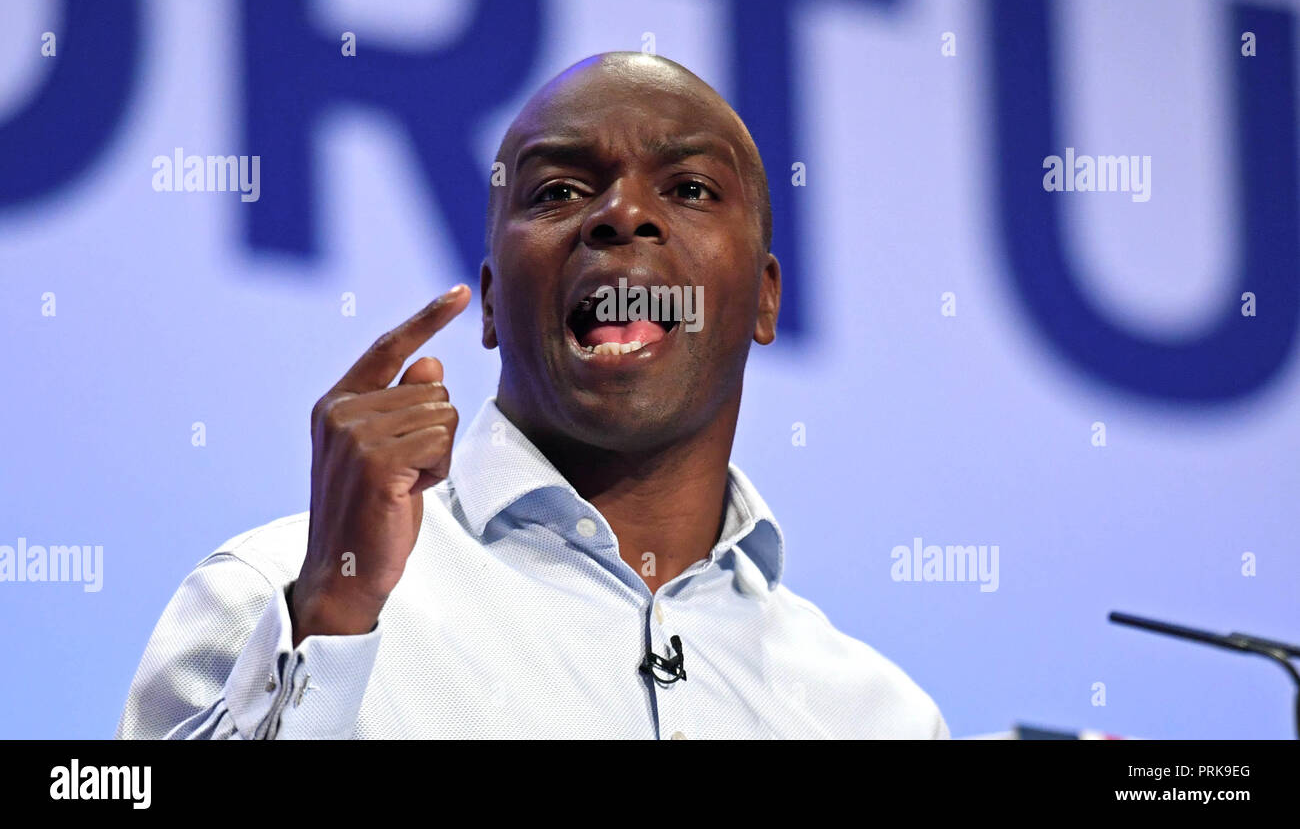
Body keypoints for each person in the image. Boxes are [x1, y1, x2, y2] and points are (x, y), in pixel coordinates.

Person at [116, 52, 949, 739]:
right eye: (559, 192)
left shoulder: (878, 717)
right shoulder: (270, 595)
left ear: (765, 298)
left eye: (690, 189)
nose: (622, 215)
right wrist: (333, 618)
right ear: (491, 302)